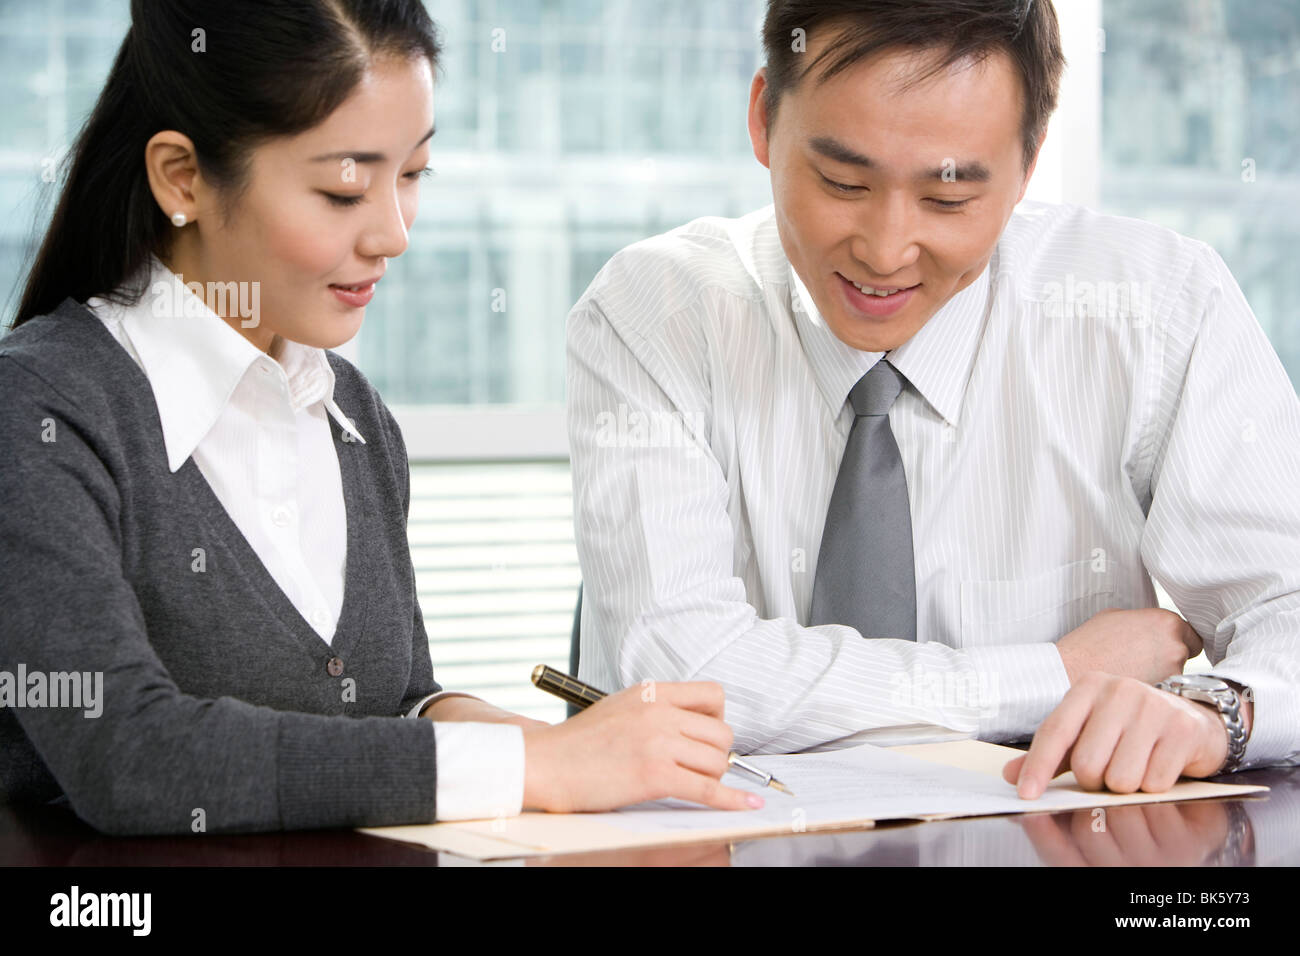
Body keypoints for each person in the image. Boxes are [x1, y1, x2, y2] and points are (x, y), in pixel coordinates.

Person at [0, 0, 761, 837]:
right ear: (183, 178)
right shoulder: (40, 409)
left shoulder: (354, 418)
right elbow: (132, 758)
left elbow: (391, 708)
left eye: (413, 175)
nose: (394, 235)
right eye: (344, 190)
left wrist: (573, 745)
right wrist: (535, 767)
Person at [567, 0, 1300, 799]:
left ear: (1028, 164)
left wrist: (1215, 713)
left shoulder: (1155, 308)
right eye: (842, 181)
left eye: (948, 200)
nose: (884, 251)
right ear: (762, 118)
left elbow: (1285, 600)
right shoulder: (653, 314)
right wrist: (1052, 674)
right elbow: (686, 670)